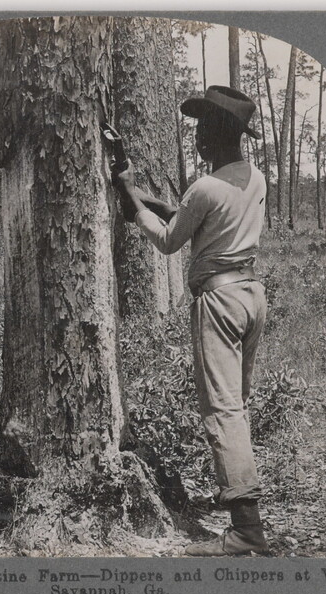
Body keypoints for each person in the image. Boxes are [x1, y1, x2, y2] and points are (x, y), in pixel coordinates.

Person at [113, 85, 270, 556]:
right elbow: (201, 215)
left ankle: (246, 530)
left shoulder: (204, 188)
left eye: (203, 128)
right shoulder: (254, 178)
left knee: (223, 410)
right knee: (236, 404)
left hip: (219, 301)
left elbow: (168, 240)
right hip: (250, 296)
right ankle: (243, 502)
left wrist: (129, 192)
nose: (198, 137)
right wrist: (144, 196)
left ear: (216, 134)